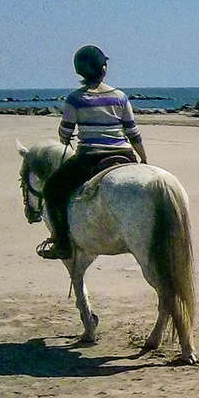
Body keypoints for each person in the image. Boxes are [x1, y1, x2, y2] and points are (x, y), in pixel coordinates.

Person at [36, 46, 147, 260]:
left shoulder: (75, 99)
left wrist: (65, 135)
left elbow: (65, 132)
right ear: (103, 68)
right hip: (124, 155)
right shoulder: (120, 96)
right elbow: (133, 132)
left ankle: (62, 242)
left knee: (51, 189)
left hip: (90, 158)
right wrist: (143, 157)